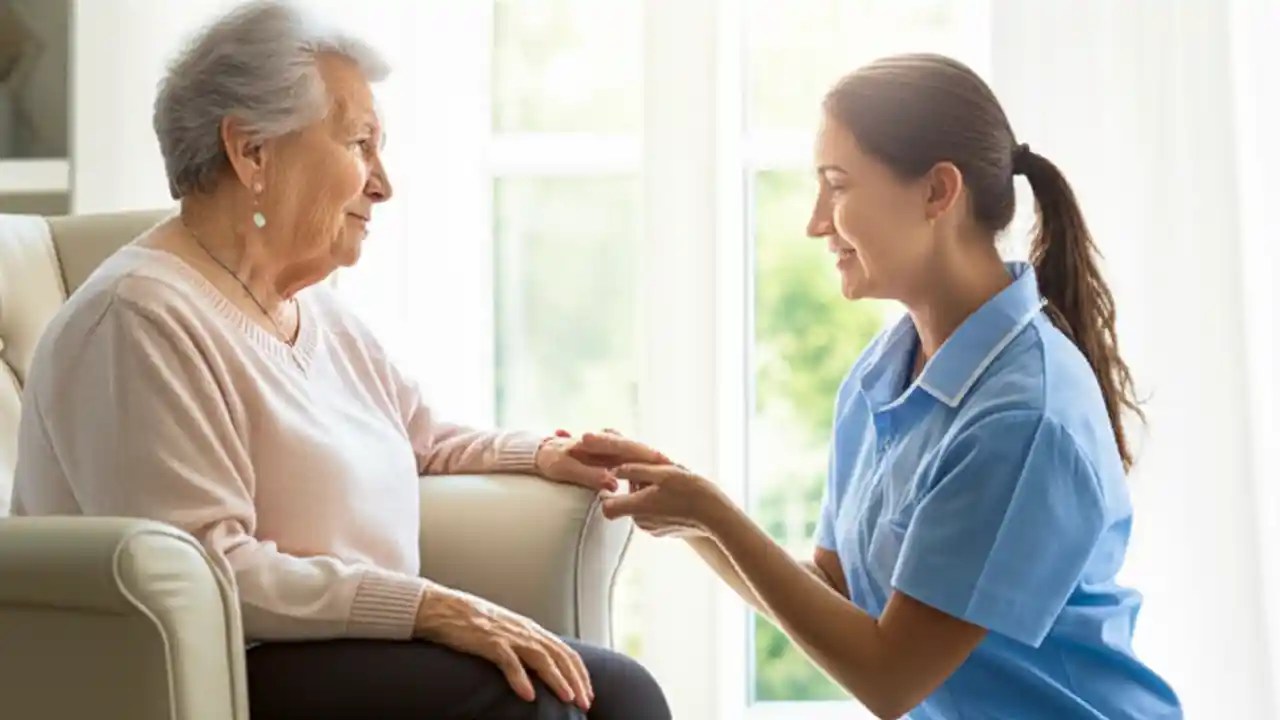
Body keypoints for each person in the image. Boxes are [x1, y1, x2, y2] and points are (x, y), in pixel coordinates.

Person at [9, 2, 669, 718]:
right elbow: (208, 567)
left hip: (348, 654)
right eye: (359, 144)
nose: (383, 183)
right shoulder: (137, 319)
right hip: (231, 672)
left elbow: (424, 440)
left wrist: (543, 454)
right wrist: (429, 607)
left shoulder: (312, 309)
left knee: (623, 694)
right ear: (251, 152)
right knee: (532, 707)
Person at [598, 54, 1182, 719]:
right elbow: (833, 595)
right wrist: (686, 511)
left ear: (938, 192)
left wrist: (710, 513)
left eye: (838, 186)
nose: (817, 221)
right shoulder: (885, 370)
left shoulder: (1021, 417)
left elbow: (889, 677)